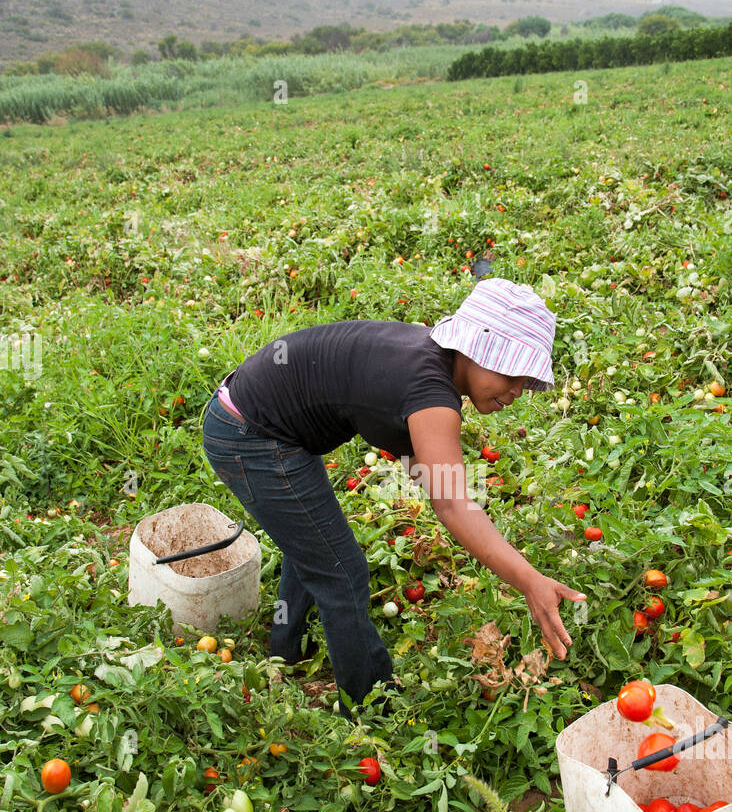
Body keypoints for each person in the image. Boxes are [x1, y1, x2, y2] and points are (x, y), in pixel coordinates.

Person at [201, 277, 585, 717]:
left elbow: (435, 479)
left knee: (313, 545)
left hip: (256, 421)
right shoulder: (430, 393)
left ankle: (285, 652)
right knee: (342, 572)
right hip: (251, 436)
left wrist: (459, 502)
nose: (517, 390)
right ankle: (370, 706)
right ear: (474, 349)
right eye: (510, 372)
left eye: (526, 379)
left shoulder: (424, 361)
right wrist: (531, 581)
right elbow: (453, 504)